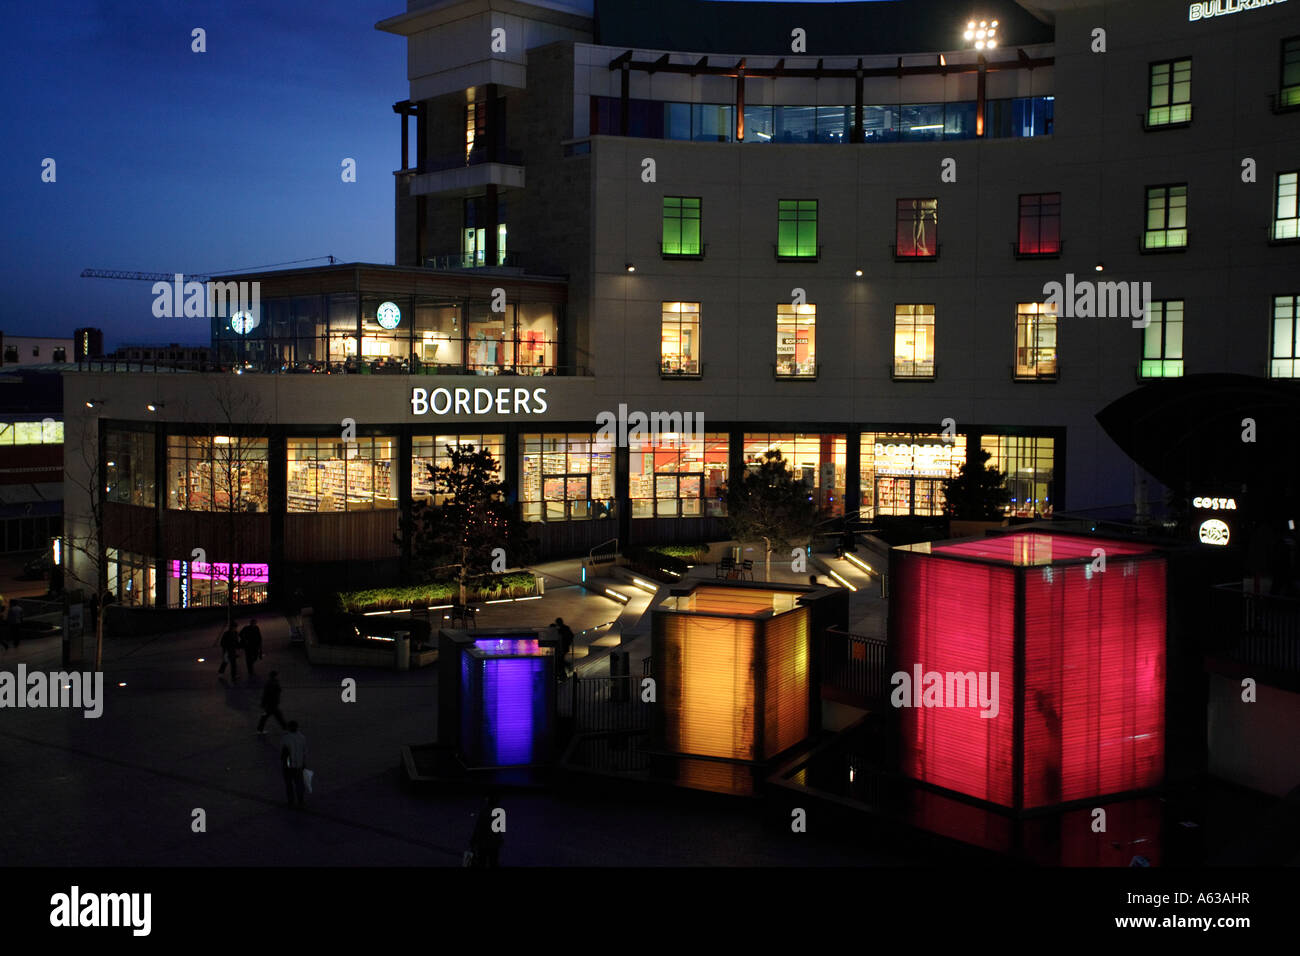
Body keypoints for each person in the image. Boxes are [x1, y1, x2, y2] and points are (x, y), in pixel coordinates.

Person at [469, 794, 503, 868]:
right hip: (493, 843)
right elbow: (499, 830)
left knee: (482, 861)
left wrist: (473, 840)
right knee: (493, 862)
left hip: (483, 842)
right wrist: (499, 841)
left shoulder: (484, 811)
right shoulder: (499, 812)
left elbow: (479, 827)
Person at [280, 721, 307, 809]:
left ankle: (291, 802)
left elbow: (284, 754)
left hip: (289, 766)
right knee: (299, 784)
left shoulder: (286, 738)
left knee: (289, 785)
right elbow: (304, 752)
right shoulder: (302, 737)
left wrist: (285, 765)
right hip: (298, 765)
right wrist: (303, 764)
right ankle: (301, 801)